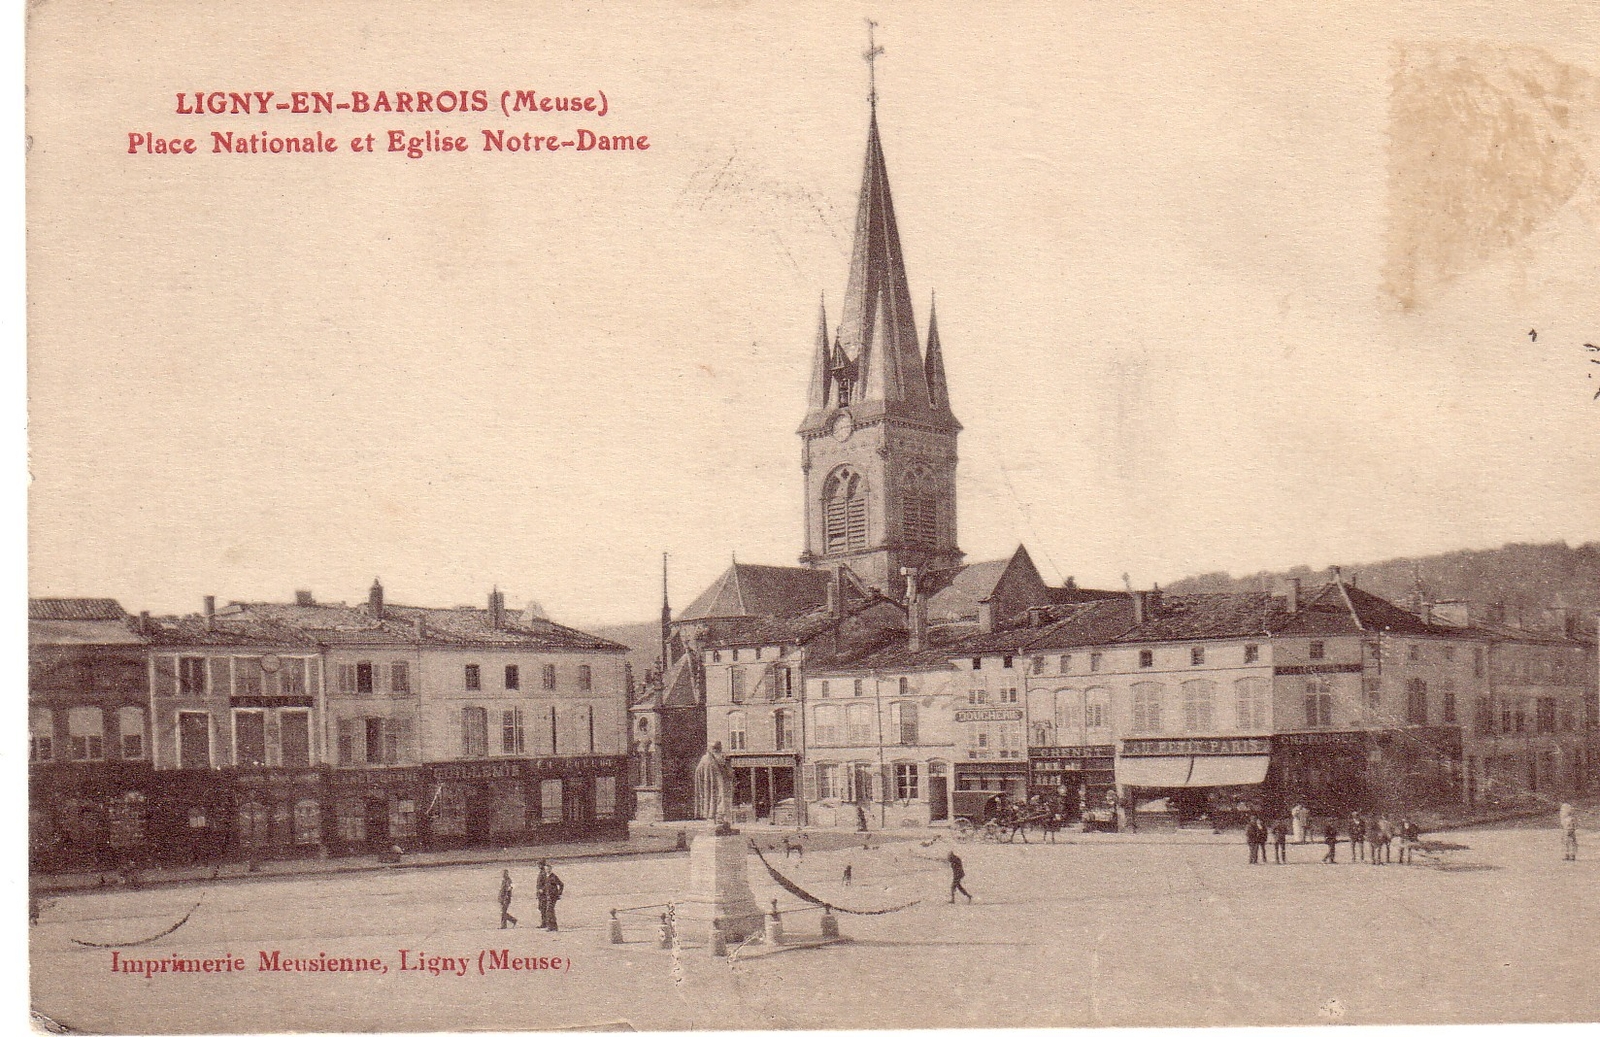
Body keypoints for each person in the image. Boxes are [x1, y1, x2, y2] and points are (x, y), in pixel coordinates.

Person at [539, 860, 564, 931]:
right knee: (551, 911)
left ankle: (551, 927)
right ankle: (554, 927)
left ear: (551, 869)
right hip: (547, 896)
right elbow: (546, 886)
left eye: (548, 869)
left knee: (549, 911)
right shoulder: (546, 876)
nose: (547, 870)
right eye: (546, 869)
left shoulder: (553, 876)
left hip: (553, 896)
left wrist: (559, 893)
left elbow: (561, 884)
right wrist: (542, 890)